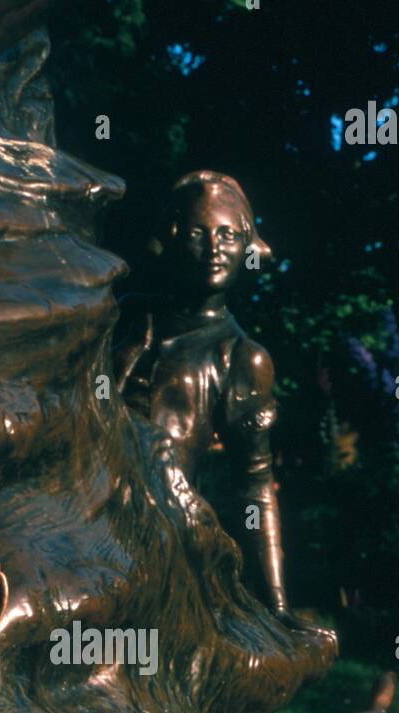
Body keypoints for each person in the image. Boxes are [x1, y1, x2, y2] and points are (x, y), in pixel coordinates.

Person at [115, 170, 310, 628]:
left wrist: (276, 601)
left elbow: (255, 485)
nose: (215, 246)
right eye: (199, 232)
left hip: (154, 537)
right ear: (172, 237)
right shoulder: (124, 316)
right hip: (73, 510)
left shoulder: (243, 359)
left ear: (248, 245)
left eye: (228, 233)